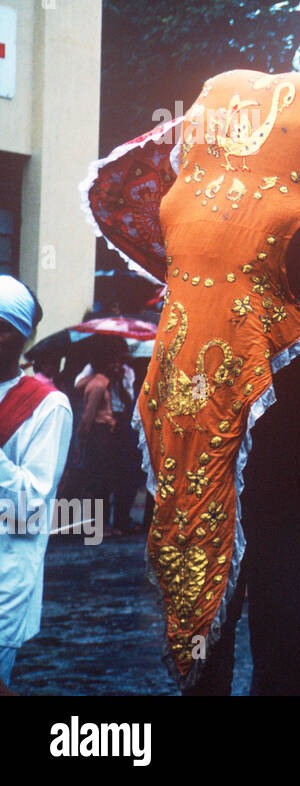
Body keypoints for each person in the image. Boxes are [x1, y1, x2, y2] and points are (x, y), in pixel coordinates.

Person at [0, 277, 73, 688]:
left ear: (22, 336)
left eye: (1, 326)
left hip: (6, 575)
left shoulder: (48, 405)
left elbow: (29, 506)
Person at [76, 336, 139, 535]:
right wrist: (102, 377)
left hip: (120, 420)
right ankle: (100, 522)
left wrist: (119, 381)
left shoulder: (127, 373)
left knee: (124, 473)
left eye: (120, 359)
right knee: (100, 474)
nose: (117, 363)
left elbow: (130, 401)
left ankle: (121, 519)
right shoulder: (93, 372)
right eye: (114, 359)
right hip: (101, 425)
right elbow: (79, 384)